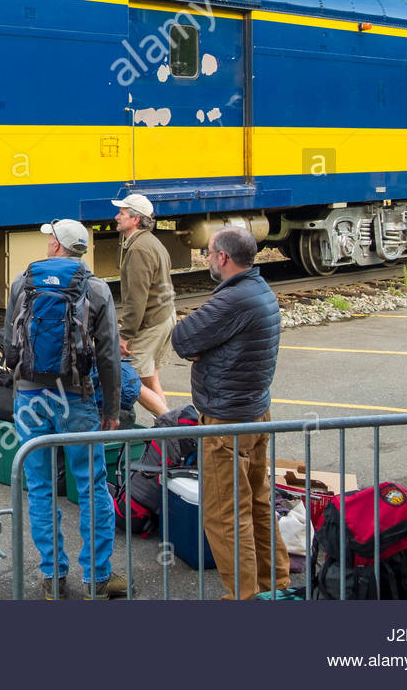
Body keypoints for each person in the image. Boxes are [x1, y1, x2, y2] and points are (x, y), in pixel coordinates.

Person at [3, 218, 128, 600]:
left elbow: (11, 345)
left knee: (40, 486)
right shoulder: (96, 289)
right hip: (76, 397)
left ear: (58, 246)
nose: (47, 245)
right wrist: (112, 407)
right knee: (92, 486)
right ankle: (98, 578)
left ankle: (53, 577)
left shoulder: (22, 284)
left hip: (31, 397)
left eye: (49, 240)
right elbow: (108, 355)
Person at [171, 225, 289, 599]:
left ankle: (243, 596)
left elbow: (182, 338)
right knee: (257, 502)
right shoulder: (260, 290)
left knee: (225, 514)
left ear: (223, 257)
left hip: (226, 421)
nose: (206, 258)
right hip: (256, 412)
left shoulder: (232, 300)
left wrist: (202, 350)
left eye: (208, 252)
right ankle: (276, 584)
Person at [113, 193, 173, 419]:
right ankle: (172, 425)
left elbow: (136, 299)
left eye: (122, 213)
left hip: (151, 323)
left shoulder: (139, 249)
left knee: (128, 377)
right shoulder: (151, 243)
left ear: (135, 219)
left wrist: (125, 335)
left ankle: (172, 426)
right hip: (163, 317)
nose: (117, 217)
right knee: (150, 377)